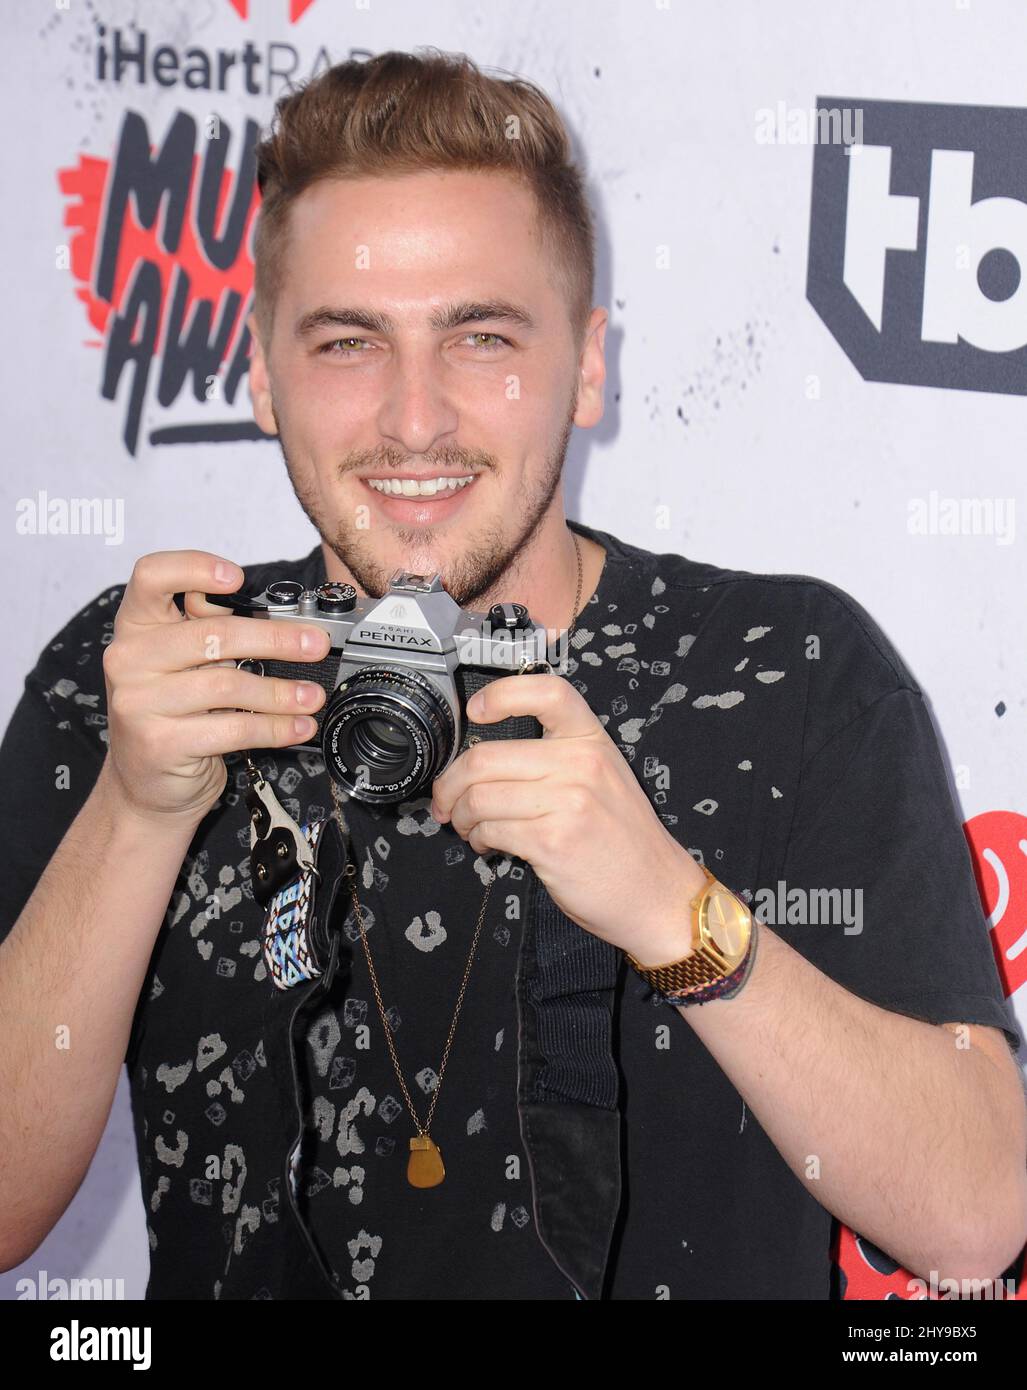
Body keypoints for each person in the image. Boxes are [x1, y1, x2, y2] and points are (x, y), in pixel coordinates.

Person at [1, 48, 1024, 1302]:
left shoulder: (785, 670)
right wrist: (134, 811)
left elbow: (976, 1216)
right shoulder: (157, 670)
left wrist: (667, 906)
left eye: (481, 337)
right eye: (346, 342)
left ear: (588, 365)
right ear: (260, 370)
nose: (415, 418)